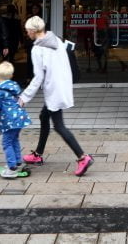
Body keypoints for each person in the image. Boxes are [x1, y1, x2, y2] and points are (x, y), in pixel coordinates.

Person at [18, 16, 93, 176]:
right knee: (44, 116)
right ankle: (38, 154)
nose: (26, 33)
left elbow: (38, 78)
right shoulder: (57, 40)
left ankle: (82, 157)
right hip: (61, 85)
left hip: (53, 89)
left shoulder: (37, 49)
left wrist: (24, 97)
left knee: (59, 126)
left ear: (32, 30)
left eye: (27, 30)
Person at [0, 61, 31, 179]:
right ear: (11, 76)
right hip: (19, 119)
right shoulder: (15, 87)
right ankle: (17, 161)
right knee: (14, 140)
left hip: (9, 121)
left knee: (6, 143)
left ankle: (11, 168)